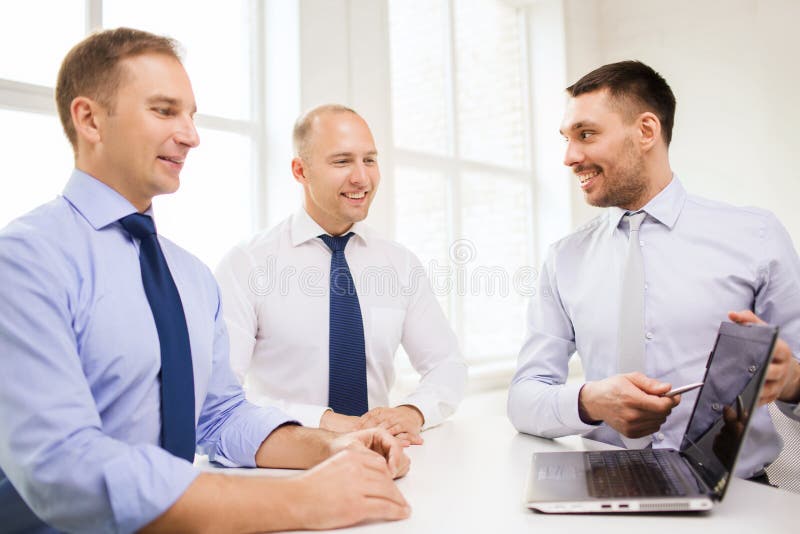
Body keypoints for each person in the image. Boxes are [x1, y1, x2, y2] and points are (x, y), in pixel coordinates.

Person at [0, 28, 411, 533]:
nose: (191, 135)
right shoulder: (24, 261)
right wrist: (300, 502)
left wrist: (330, 447)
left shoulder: (191, 277)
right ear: (89, 119)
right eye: (165, 111)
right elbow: (61, 469)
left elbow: (220, 419)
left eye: (191, 115)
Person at [507, 60, 800, 479]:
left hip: (738, 498)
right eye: (566, 139)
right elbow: (523, 399)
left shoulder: (757, 236)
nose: (570, 157)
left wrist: (790, 380)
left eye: (586, 134)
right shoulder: (564, 258)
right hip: (610, 490)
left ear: (646, 130)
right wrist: (590, 401)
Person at [215, 105, 467, 443]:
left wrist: (412, 412)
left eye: (370, 160)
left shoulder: (399, 264)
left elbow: (447, 365)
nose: (361, 178)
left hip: (382, 463)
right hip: (281, 469)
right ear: (300, 171)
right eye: (342, 161)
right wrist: (321, 420)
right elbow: (220, 396)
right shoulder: (247, 264)